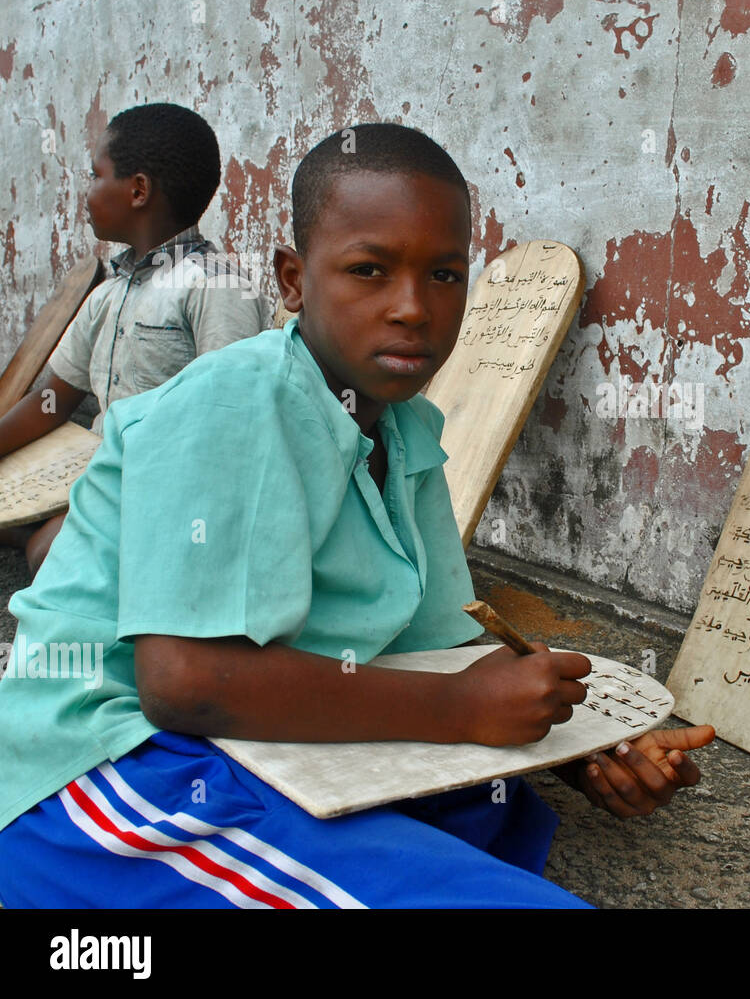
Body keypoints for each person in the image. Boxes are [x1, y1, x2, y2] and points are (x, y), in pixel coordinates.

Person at [0, 122, 714, 908]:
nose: (413, 308)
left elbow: (443, 648)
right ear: (294, 279)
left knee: (487, 813)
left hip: (243, 745)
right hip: (111, 766)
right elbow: (184, 681)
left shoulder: (405, 431)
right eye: (369, 270)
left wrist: (580, 744)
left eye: (444, 274)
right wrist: (461, 707)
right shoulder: (232, 401)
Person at [0, 103, 272, 573]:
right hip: (95, 474)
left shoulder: (216, 287)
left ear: (138, 190)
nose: (85, 191)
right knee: (41, 538)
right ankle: (64, 528)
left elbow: (229, 424)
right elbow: (53, 400)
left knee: (51, 556)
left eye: (94, 174)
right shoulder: (110, 292)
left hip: (167, 485)